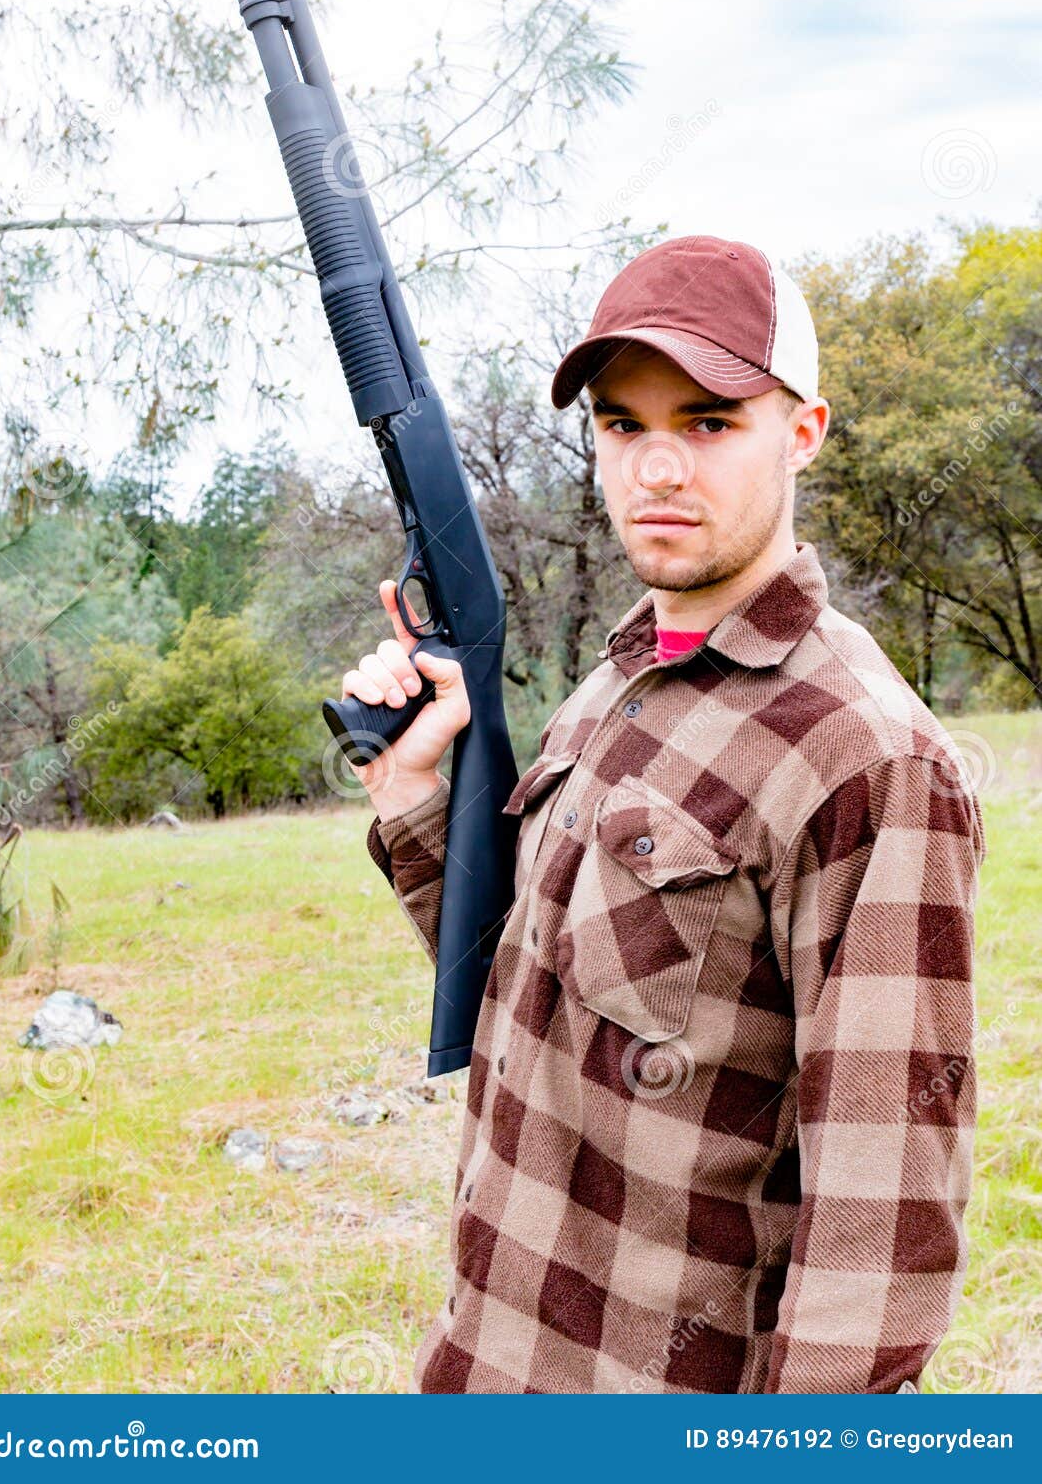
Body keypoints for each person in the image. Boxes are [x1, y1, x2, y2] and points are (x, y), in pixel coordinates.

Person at [346, 234, 985, 1394]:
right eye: (620, 424)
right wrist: (410, 792)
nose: (655, 469)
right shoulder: (614, 684)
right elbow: (525, 990)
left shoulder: (867, 755)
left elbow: (880, 1227)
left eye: (706, 422)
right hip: (486, 1363)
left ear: (802, 433)